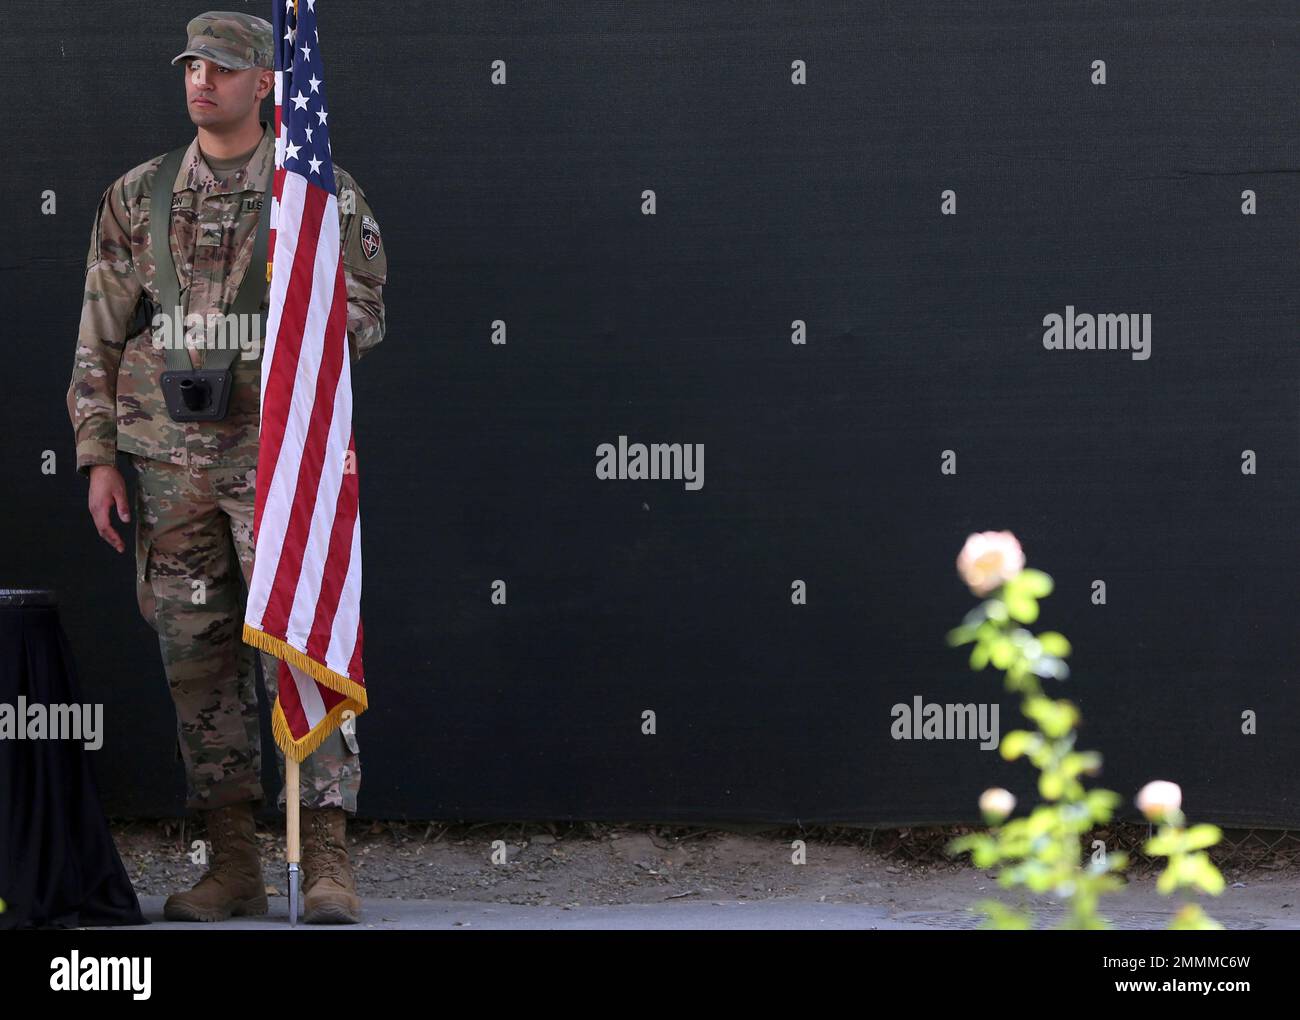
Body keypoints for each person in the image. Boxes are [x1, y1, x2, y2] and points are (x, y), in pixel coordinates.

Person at [66, 11, 388, 924]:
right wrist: (98, 456)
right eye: (191, 66)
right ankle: (235, 862)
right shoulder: (139, 194)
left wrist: (302, 344)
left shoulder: (311, 192)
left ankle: (324, 857)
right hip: (165, 465)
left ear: (266, 85)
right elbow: (98, 332)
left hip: (281, 459)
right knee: (194, 665)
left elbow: (365, 307)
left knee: (305, 640)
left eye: (223, 67)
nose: (201, 81)